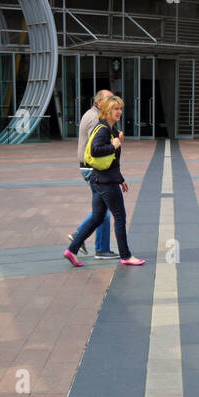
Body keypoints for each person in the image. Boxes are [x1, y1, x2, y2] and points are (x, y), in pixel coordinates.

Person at [64, 95, 144, 268]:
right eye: (116, 109)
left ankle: (72, 250)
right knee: (120, 217)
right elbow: (95, 150)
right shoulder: (103, 129)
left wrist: (120, 178)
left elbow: (111, 161)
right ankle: (126, 255)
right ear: (107, 110)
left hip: (101, 180)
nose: (119, 112)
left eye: (120, 108)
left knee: (97, 217)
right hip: (105, 182)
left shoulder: (111, 130)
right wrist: (114, 145)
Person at [69, 89, 117, 258]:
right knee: (104, 208)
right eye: (110, 100)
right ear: (99, 103)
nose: (114, 104)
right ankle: (100, 248)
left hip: (90, 167)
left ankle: (81, 236)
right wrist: (114, 144)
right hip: (92, 168)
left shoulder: (96, 115)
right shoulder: (95, 118)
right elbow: (95, 148)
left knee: (102, 207)